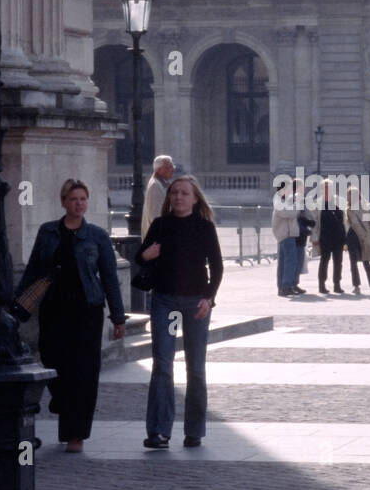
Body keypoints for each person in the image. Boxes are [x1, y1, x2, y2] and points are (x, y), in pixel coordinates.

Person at [16, 179, 127, 453]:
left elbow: (110, 278)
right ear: (64, 202)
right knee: (53, 362)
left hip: (87, 310)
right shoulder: (48, 232)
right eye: (74, 199)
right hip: (54, 309)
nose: (79, 204)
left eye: (83, 199)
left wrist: (119, 316)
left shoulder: (97, 236)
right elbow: (32, 270)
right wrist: (15, 305)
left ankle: (75, 434)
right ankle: (61, 400)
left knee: (84, 373)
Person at [136, 175, 223, 448]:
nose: (178, 197)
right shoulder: (160, 225)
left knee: (195, 367)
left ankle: (194, 430)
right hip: (166, 303)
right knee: (163, 364)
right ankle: (159, 431)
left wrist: (209, 298)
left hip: (196, 303)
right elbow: (140, 255)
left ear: (195, 198)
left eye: (184, 193)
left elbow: (217, 267)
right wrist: (146, 255)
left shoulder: (204, 227)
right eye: (174, 193)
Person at [344, 185, 370, 295]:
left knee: (366, 261)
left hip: (362, 237)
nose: (348, 198)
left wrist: (368, 233)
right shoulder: (349, 209)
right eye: (348, 195)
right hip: (353, 237)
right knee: (353, 263)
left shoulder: (363, 207)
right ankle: (357, 286)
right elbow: (353, 225)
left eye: (350, 195)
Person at [312, 179, 346, 294]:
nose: (326, 190)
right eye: (324, 188)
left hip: (338, 237)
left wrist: (346, 237)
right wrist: (314, 238)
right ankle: (322, 285)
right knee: (324, 261)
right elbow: (314, 223)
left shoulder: (340, 201)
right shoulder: (317, 203)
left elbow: (345, 221)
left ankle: (337, 284)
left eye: (329, 188)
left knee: (338, 262)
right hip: (324, 237)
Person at [273, 178, 302, 297]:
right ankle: (285, 286)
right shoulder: (280, 201)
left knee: (284, 262)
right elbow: (291, 213)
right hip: (285, 234)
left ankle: (283, 287)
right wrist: (297, 204)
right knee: (290, 261)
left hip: (288, 233)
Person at [142, 155, 174, 235]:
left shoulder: (164, 183)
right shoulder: (155, 186)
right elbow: (156, 215)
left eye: (172, 167)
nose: (172, 170)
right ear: (159, 170)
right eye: (168, 168)